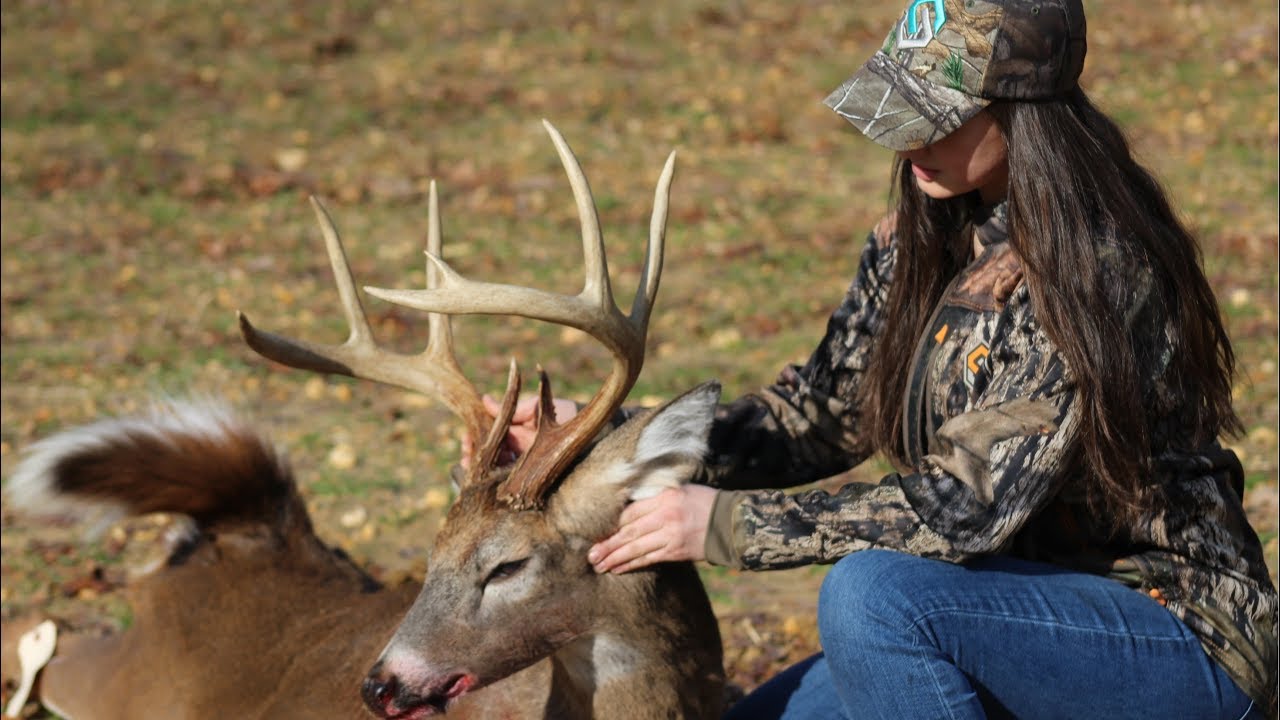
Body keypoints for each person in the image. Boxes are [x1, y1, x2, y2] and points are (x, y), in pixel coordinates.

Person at [481, 1, 1278, 717]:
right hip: (998, 610)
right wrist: (600, 438)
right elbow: (821, 413)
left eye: (941, 117)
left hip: (1173, 635)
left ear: (1026, 113)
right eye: (903, 110)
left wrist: (727, 527)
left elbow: (969, 507)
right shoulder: (921, 238)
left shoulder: (1096, 269)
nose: (911, 139)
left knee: (871, 598)